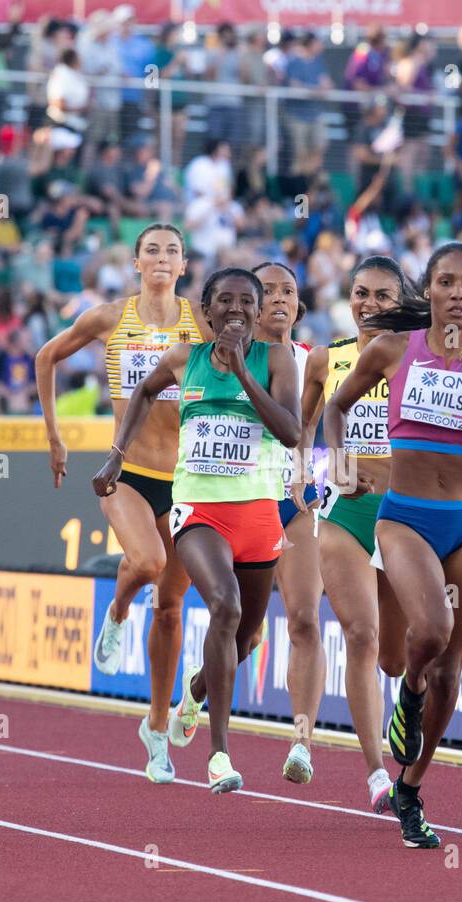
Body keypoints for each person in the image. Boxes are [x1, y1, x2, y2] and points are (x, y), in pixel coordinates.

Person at [324, 242, 462, 847]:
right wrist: (339, 465)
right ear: (429, 291)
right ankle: (406, 695)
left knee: (451, 669)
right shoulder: (393, 349)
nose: (459, 293)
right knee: (430, 636)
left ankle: (411, 790)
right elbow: (335, 411)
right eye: (447, 282)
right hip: (405, 516)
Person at [93, 268, 302, 793]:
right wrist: (117, 457)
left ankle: (193, 696)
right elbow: (141, 393)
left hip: (259, 516)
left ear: (257, 312)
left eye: (246, 302)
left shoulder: (276, 360)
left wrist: (244, 374)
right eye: (224, 301)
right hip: (200, 512)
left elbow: (292, 431)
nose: (235, 309)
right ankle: (218, 755)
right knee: (225, 609)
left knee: (248, 635)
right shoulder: (184, 359)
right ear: (206, 312)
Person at [35, 224, 210, 784]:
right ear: (135, 262)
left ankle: (156, 732)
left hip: (184, 477)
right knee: (151, 563)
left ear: (184, 265)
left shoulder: (200, 321)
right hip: (125, 469)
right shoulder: (109, 317)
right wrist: (54, 436)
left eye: (172, 251)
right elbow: (46, 357)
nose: (162, 258)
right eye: (152, 250)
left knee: (172, 608)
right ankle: (115, 613)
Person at [300, 255, 414, 811]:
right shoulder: (327, 359)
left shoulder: (418, 359)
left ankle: (405, 709)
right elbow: (300, 433)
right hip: (346, 514)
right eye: (361, 293)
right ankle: (375, 775)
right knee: (361, 638)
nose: (369, 305)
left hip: (406, 516)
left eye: (383, 296)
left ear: (404, 299)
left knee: (395, 657)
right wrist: (310, 473)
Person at [249, 262, 324, 785]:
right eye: (268, 290)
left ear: (299, 304)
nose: (279, 298)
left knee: (304, 622)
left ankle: (302, 742)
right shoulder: (225, 361)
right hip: (241, 504)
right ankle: (197, 694)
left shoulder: (315, 360)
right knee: (245, 633)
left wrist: (318, 480)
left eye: (288, 291)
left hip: (295, 507)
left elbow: (321, 430)